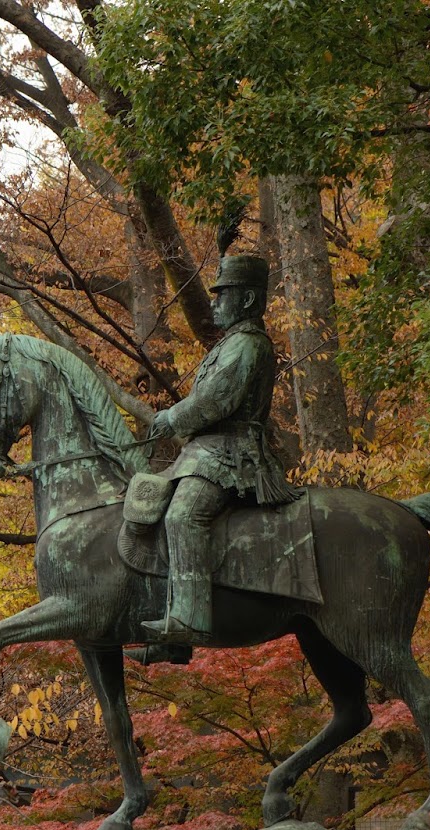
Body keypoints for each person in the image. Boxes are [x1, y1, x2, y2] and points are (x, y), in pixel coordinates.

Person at [142, 254, 297, 642]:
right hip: (205, 453)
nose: (213, 303)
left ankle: (189, 621)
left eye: (222, 295)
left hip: (230, 456)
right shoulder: (231, 343)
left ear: (246, 300)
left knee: (183, 517)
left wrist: (172, 418)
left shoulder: (247, 345)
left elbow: (217, 399)